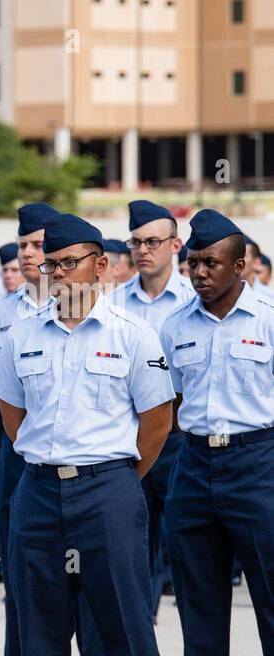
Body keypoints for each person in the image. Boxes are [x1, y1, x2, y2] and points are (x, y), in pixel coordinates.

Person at [0, 212, 174, 656]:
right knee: (39, 617)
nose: (60, 273)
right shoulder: (22, 335)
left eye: (71, 263)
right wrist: (53, 461)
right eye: (52, 264)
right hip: (40, 488)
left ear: (100, 265)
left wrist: (115, 478)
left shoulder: (133, 335)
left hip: (108, 489)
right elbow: (11, 413)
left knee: (123, 615)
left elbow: (158, 420)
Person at [161, 209, 274, 656]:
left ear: (241, 264)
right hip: (196, 462)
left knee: (271, 595)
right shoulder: (175, 325)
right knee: (198, 598)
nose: (199, 272)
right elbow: (173, 399)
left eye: (211, 263)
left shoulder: (269, 318)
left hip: (259, 463)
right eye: (193, 263)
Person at [115, 200, 196, 616]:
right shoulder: (112, 302)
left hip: (181, 440)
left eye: (153, 241)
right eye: (136, 241)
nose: (143, 249)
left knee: (190, 557)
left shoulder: (194, 300)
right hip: (130, 438)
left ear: (176, 245)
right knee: (132, 556)